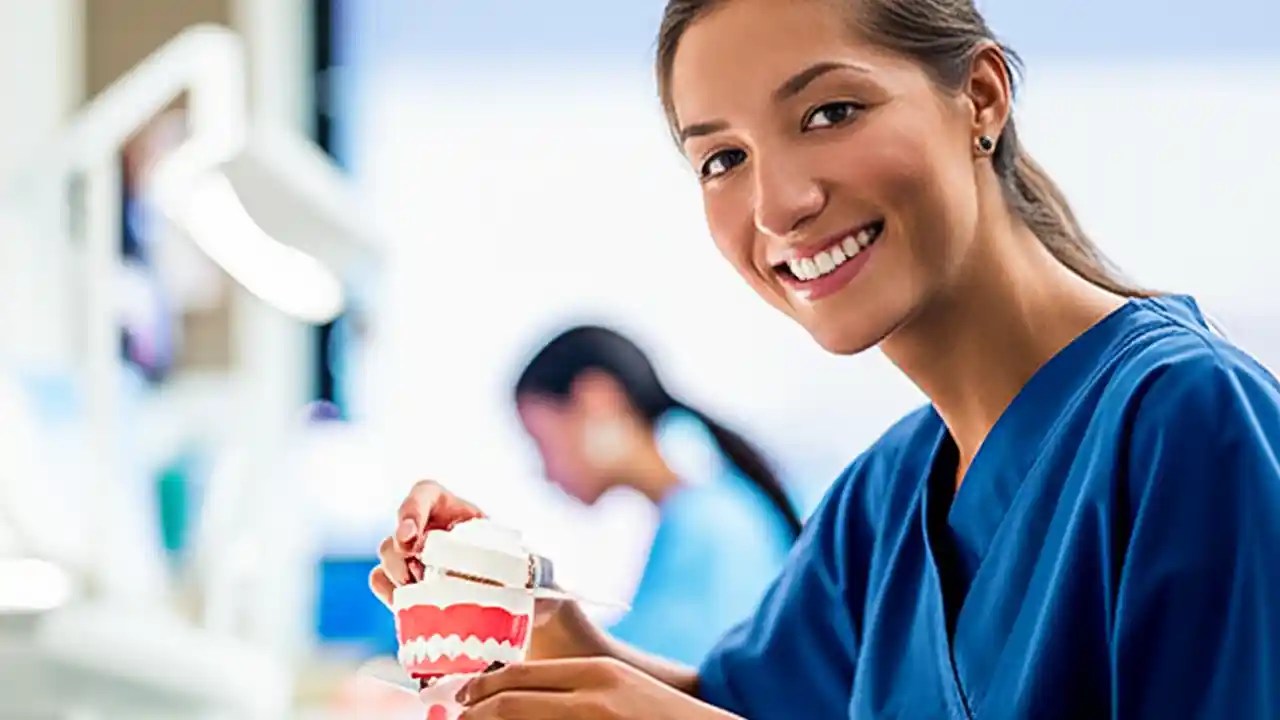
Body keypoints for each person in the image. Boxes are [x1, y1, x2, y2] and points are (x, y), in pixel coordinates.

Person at [369, 0, 1280, 717]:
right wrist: (536, 620)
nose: (778, 205)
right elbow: (733, 710)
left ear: (983, 98)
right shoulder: (885, 499)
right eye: (722, 159)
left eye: (830, 111)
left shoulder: (1188, 424)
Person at [511, 324, 799, 665]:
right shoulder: (710, 510)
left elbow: (659, 675)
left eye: (542, 441)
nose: (546, 471)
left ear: (596, 400)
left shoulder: (708, 526)